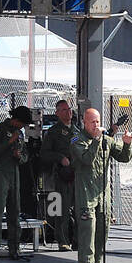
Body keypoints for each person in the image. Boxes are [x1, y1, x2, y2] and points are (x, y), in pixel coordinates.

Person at [71, 107, 132, 263]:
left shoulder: (106, 140)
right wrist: (98, 139)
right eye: (92, 122)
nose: (96, 125)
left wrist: (127, 143)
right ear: (84, 122)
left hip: (102, 195)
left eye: (97, 122)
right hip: (86, 194)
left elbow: (123, 157)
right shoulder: (77, 139)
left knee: (102, 232)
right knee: (87, 232)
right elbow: (86, 159)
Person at [0, 105, 33, 261]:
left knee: (15, 212)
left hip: (14, 172)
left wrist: (20, 156)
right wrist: (8, 142)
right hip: (0, 172)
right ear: (16, 119)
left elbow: (25, 155)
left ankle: (15, 246)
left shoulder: (20, 133)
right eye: (22, 123)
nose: (22, 127)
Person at [39, 98, 80, 251]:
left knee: (79, 210)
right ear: (57, 113)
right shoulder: (54, 132)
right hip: (62, 175)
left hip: (77, 174)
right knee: (61, 209)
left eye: (69, 109)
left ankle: (77, 240)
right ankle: (63, 241)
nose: (68, 112)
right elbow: (44, 154)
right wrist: (59, 158)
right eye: (64, 110)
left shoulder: (77, 130)